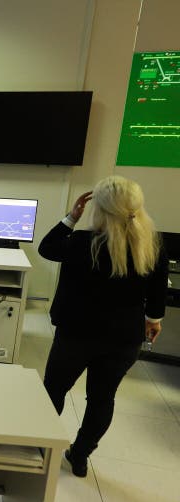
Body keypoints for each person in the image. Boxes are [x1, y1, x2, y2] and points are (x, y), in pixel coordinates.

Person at [39, 175, 168, 477]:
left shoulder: (83, 242)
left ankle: (40, 447)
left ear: (99, 208)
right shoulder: (151, 245)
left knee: (54, 390)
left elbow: (47, 248)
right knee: (102, 399)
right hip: (123, 339)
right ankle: (80, 456)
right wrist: (153, 320)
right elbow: (157, 291)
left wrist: (71, 216)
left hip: (76, 334)